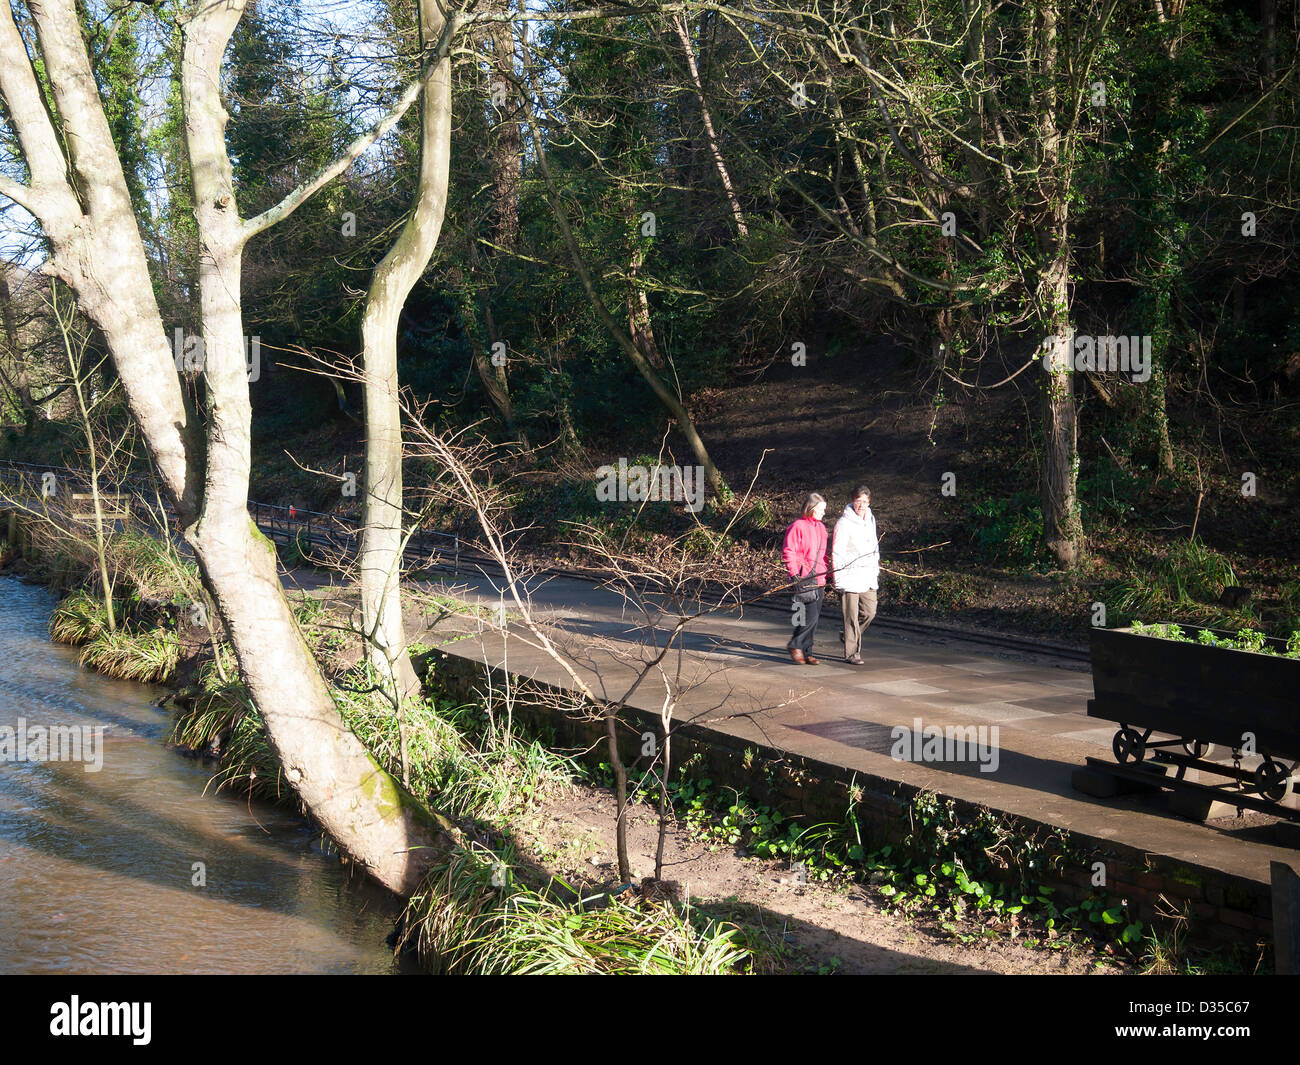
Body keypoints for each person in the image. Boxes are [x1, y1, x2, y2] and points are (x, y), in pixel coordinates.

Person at [832, 485, 879, 665]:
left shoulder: (871, 519)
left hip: (868, 576)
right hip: (850, 577)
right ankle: (852, 653)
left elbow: (875, 547)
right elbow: (837, 551)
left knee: (870, 612)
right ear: (852, 501)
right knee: (850, 617)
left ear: (869, 503)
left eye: (865, 502)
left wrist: (875, 568)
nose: (861, 505)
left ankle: (848, 635)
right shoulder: (844, 523)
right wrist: (840, 578)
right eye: (858, 501)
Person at [781, 492, 830, 664]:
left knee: (814, 619)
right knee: (810, 616)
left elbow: (823, 555)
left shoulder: (821, 528)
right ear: (811, 508)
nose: (824, 513)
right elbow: (789, 551)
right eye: (821, 509)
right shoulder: (798, 526)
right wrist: (794, 574)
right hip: (803, 577)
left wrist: (828, 574)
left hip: (819, 578)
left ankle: (807, 651)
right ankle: (795, 645)